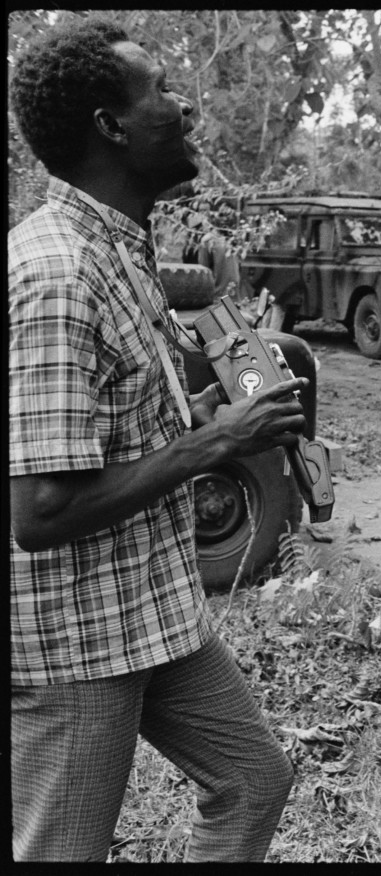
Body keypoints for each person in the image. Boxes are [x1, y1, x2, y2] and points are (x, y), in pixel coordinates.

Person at [9, 19, 300, 861]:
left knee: (253, 783)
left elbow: (111, 427)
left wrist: (203, 416)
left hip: (153, 608)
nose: (183, 107)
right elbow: (39, 510)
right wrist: (216, 446)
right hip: (76, 638)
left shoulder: (121, 253)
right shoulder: (58, 274)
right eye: (162, 91)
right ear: (111, 125)